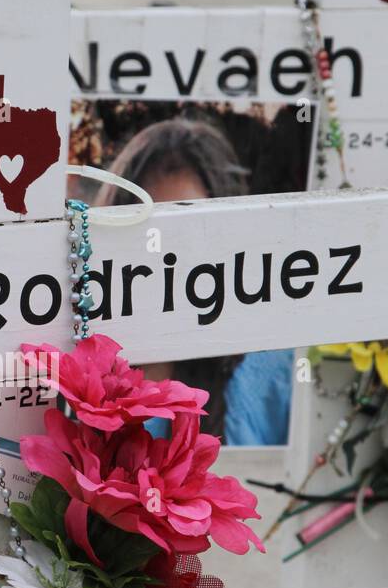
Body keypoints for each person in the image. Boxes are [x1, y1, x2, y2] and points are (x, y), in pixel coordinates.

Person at [78, 116, 293, 445]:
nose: (166, 257)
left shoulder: (274, 372)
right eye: (145, 229)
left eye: (189, 230)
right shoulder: (71, 366)